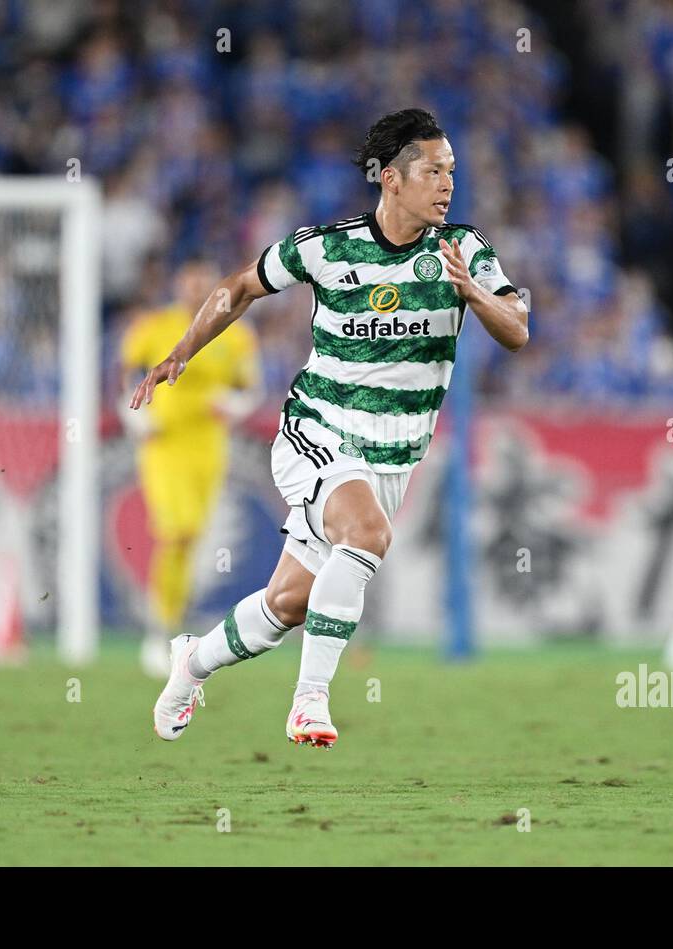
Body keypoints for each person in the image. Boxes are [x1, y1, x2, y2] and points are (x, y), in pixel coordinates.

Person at [131, 108, 528, 748]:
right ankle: (310, 702)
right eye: (433, 171)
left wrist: (474, 295)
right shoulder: (325, 247)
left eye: (451, 172)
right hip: (318, 428)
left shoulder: (465, 251)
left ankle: (191, 661)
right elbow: (238, 289)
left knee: (288, 604)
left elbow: (516, 331)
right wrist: (182, 350)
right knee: (368, 534)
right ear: (392, 179)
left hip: (393, 456)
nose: (447, 184)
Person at [119, 259, 262, 676]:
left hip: (208, 448)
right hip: (163, 445)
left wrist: (232, 404)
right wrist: (135, 418)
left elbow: (251, 391)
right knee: (176, 532)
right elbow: (124, 378)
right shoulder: (152, 328)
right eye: (189, 275)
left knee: (190, 539)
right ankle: (157, 629)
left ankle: (170, 623)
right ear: (177, 281)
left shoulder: (236, 334)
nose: (196, 284)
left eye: (203, 276)